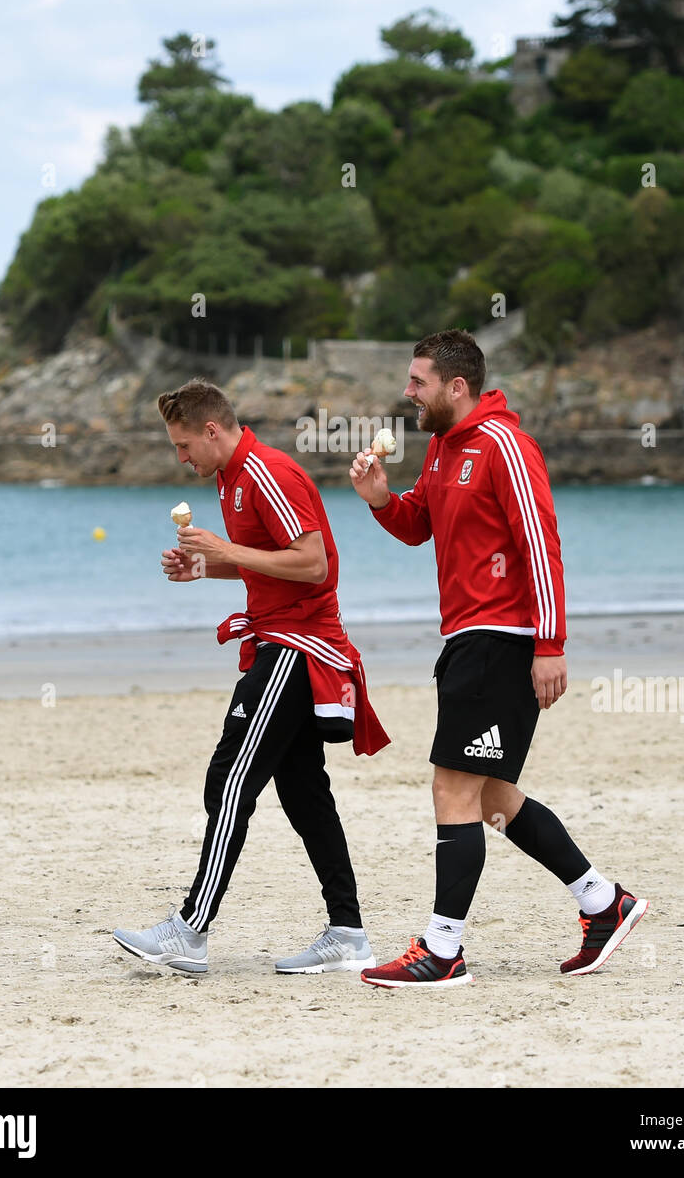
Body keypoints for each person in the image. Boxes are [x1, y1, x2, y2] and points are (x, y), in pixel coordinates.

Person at [349, 330, 648, 987]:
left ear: (457, 386)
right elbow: (418, 525)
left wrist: (550, 644)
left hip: (503, 640)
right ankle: (604, 902)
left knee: (452, 787)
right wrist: (378, 499)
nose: (409, 393)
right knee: (492, 798)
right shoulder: (441, 446)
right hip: (465, 640)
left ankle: (442, 948)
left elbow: (540, 543)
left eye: (418, 381)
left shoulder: (503, 445)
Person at [113, 380, 388, 976]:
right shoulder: (228, 477)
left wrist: (228, 554)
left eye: (184, 445)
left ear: (213, 430)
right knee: (303, 792)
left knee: (230, 780)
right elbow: (273, 568)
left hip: (299, 646)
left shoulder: (266, 471)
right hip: (278, 638)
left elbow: (313, 564)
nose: (181, 458)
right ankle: (348, 932)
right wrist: (204, 567)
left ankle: (190, 930)